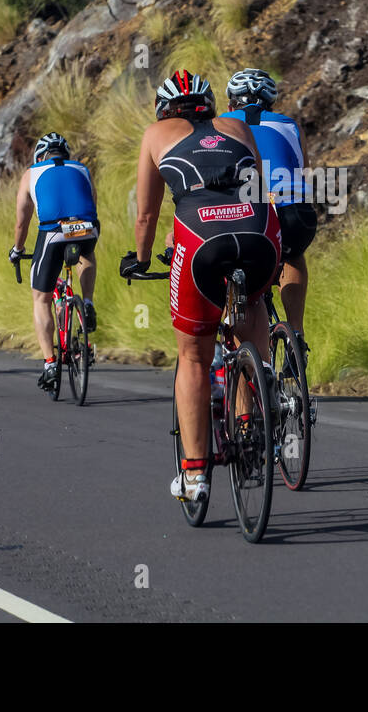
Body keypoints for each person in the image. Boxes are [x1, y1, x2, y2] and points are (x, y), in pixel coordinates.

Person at [121, 69, 281, 502]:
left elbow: (146, 216)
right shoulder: (237, 125)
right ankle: (261, 388)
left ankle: (195, 476)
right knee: (254, 301)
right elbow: (257, 187)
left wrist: (139, 259)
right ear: (210, 105)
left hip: (199, 237)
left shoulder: (156, 134)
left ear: (163, 108)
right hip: (260, 234)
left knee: (193, 357)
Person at [221, 68, 317, 336]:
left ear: (231, 103)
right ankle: (296, 332)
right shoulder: (288, 124)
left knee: (230, 265)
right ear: (271, 103)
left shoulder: (219, 124)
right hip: (294, 212)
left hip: (245, 213)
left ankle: (239, 355)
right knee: (293, 254)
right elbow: (304, 173)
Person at [10, 132, 100, 391]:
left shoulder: (31, 173)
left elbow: (21, 222)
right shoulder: (82, 169)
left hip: (52, 231)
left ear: (40, 156)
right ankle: (88, 302)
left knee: (41, 298)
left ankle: (50, 362)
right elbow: (92, 204)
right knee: (86, 254)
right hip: (87, 228)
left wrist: (18, 249)